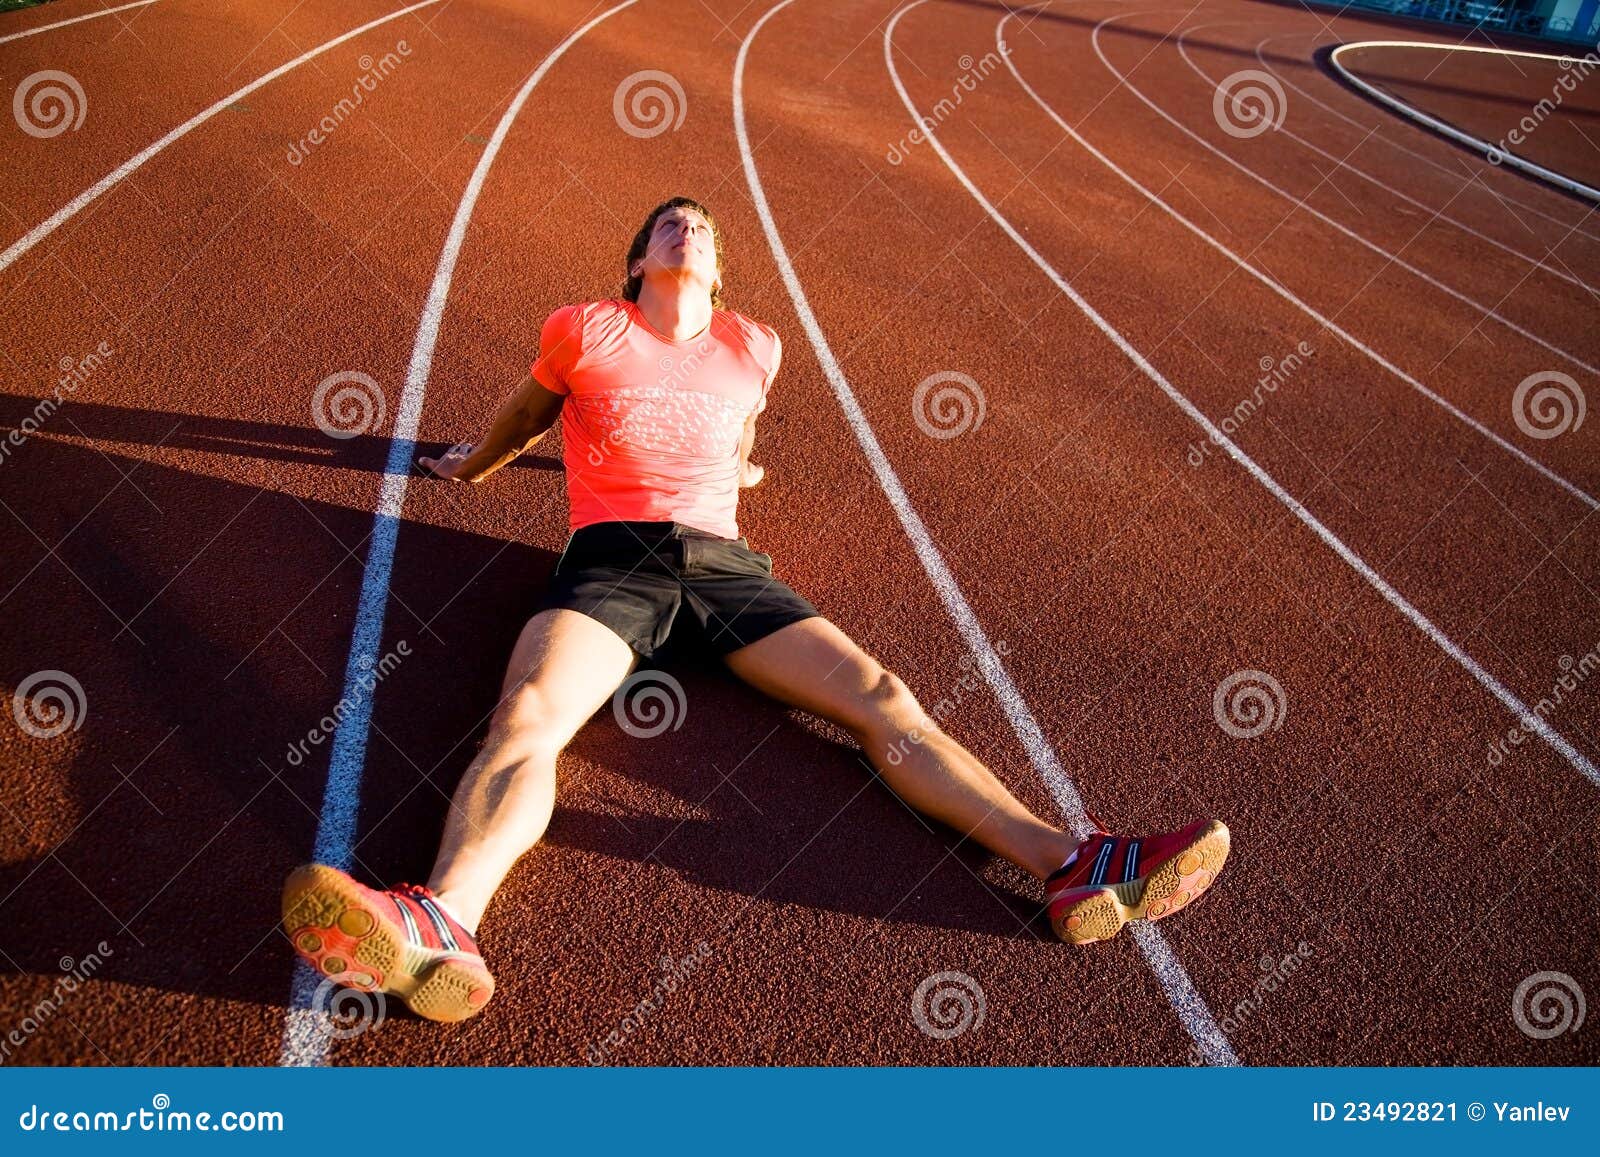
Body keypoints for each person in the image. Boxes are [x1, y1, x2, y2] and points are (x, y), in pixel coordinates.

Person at [281, 197, 1230, 1023]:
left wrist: (737, 472)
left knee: (879, 697)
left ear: (719, 273)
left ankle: (1072, 863)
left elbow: (736, 428)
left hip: (729, 569)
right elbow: (530, 414)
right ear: (639, 261)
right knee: (531, 716)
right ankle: (444, 922)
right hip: (616, 558)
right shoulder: (585, 328)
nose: (685, 230)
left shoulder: (755, 345)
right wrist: (475, 463)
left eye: (700, 229)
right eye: (669, 224)